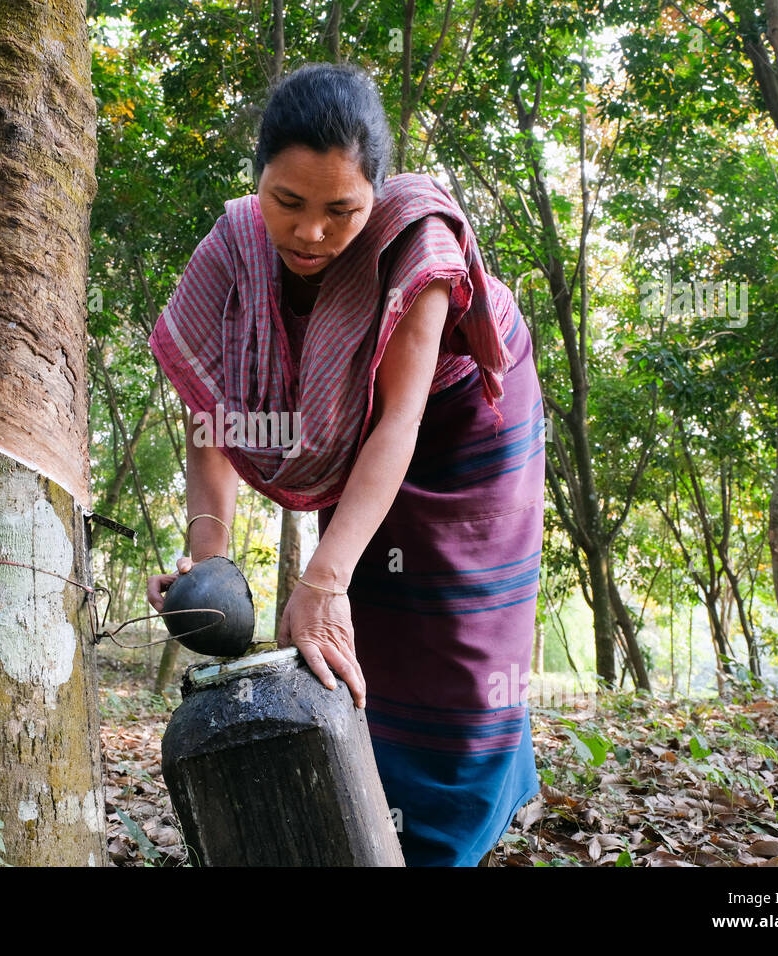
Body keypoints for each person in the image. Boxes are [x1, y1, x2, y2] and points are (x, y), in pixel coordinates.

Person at [145, 62, 544, 867]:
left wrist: (321, 581)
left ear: (379, 196)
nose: (311, 234)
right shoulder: (233, 248)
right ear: (259, 178)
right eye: (287, 202)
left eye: (342, 211)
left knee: (458, 641)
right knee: (371, 628)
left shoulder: (417, 246)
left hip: (466, 428)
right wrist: (211, 555)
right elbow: (213, 418)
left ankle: (449, 838)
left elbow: (398, 419)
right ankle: (369, 826)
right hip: (365, 437)